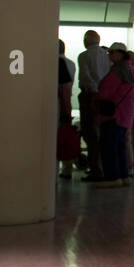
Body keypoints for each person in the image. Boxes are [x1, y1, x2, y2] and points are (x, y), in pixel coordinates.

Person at [94, 43, 134, 188]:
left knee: (109, 146)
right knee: (120, 146)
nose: (110, 55)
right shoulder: (130, 69)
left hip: (113, 114)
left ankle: (112, 176)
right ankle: (123, 175)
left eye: (112, 53)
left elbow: (106, 92)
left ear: (120, 54)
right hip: (125, 114)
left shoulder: (118, 71)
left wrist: (97, 97)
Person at [77, 30, 110, 181]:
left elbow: (85, 77)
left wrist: (94, 92)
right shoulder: (106, 55)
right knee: (102, 132)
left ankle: (95, 168)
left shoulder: (84, 56)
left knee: (90, 133)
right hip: (106, 96)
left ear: (86, 41)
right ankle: (103, 166)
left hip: (90, 96)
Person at [58, 41, 75, 180]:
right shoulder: (71, 63)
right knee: (65, 136)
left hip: (59, 103)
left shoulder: (55, 63)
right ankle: (67, 168)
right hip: (66, 101)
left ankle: (56, 167)